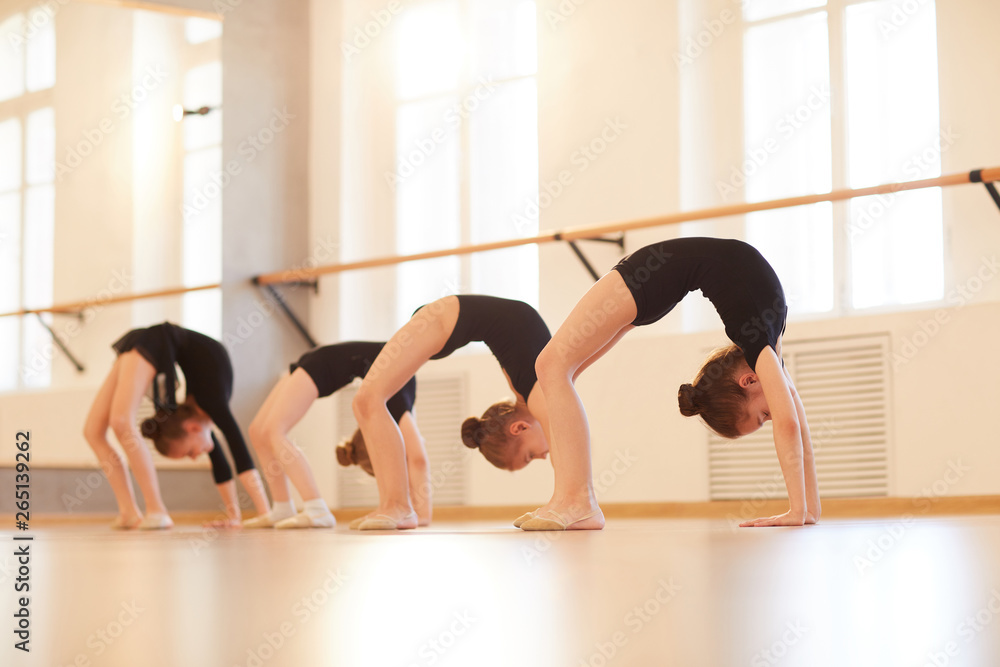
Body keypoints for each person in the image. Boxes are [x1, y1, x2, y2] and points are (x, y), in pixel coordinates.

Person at [525, 237, 821, 531]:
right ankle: (573, 500)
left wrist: (805, 509)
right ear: (748, 380)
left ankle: (572, 500)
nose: (774, 413)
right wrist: (802, 509)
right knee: (555, 369)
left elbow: (796, 421)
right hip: (650, 278)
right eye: (764, 415)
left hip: (656, 281)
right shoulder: (761, 347)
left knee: (554, 369)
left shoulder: (765, 342)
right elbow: (792, 424)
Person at [351, 295, 553, 530]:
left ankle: (392, 505)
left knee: (366, 402)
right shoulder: (539, 392)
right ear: (519, 428)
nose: (543, 456)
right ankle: (396, 506)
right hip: (442, 320)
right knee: (367, 401)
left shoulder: (528, 388)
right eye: (529, 456)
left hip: (445, 322)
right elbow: (565, 440)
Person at [82, 322, 269, 530]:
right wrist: (265, 514)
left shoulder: (200, 416)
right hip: (155, 340)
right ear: (191, 428)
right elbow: (241, 456)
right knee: (107, 427)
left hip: (153, 341)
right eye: (190, 452)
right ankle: (148, 511)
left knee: (105, 427)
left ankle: (140, 512)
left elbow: (222, 464)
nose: (195, 456)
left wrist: (236, 517)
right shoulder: (213, 404)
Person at [244, 342, 422, 529]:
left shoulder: (396, 386)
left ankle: (295, 507)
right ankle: (310, 507)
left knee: (261, 431)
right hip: (319, 363)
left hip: (317, 359)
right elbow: (419, 458)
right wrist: (423, 514)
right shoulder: (402, 382)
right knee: (272, 430)